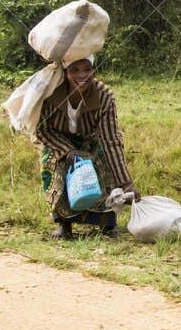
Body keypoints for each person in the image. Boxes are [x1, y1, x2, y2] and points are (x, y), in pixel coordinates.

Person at [34, 56, 137, 240]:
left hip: (90, 140)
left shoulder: (104, 96)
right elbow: (41, 129)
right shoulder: (50, 94)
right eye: (75, 70)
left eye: (87, 69)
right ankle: (64, 225)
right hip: (57, 141)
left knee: (103, 158)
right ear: (65, 72)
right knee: (53, 163)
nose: (82, 75)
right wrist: (67, 151)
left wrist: (125, 182)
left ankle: (107, 223)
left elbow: (111, 138)